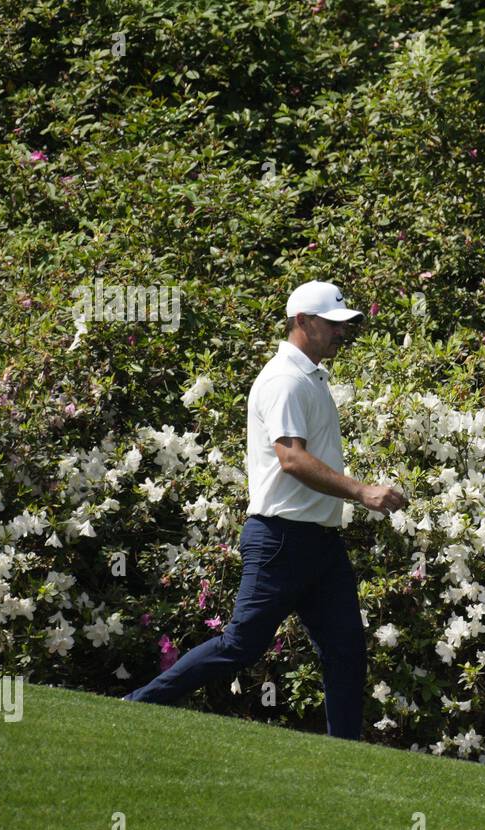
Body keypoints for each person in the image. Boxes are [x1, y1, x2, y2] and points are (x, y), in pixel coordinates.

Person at [123, 280, 407, 739]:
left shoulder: (309, 376)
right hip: (282, 539)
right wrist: (361, 492)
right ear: (302, 322)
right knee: (240, 645)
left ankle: (347, 754)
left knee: (346, 649)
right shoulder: (285, 379)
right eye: (332, 325)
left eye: (344, 325)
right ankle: (136, 704)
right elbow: (291, 459)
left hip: (319, 543)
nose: (341, 333)